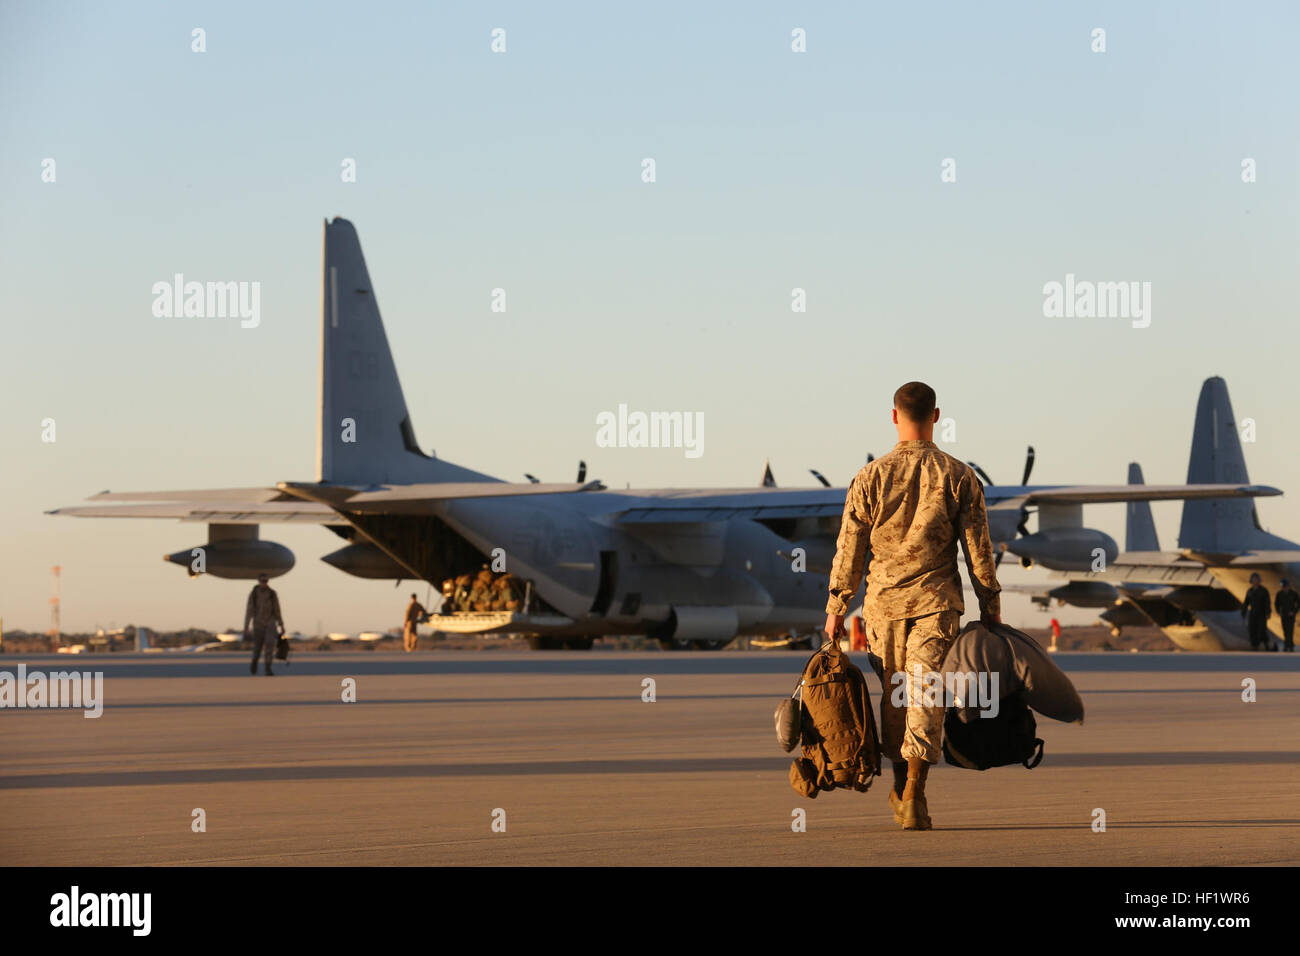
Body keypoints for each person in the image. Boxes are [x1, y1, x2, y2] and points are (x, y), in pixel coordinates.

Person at [824, 382, 1002, 831]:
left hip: (882, 608)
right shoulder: (959, 476)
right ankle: (913, 790)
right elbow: (979, 550)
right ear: (936, 415)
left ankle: (905, 787)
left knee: (897, 694)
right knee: (926, 693)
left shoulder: (869, 477)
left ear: (893, 416)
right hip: (936, 605)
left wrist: (836, 606)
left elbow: (850, 549)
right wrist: (990, 606)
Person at [244, 573, 284, 676]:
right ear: (259, 581)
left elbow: (277, 610)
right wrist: (246, 626)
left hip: (270, 623)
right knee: (257, 648)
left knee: (269, 646)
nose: (264, 583)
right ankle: (254, 662)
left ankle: (268, 668)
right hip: (258, 624)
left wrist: (281, 624)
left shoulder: (272, 594)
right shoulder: (254, 594)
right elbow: (249, 610)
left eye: (266, 581)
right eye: (262, 581)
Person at [1240, 573, 1272, 651]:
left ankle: (1266, 644)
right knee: (1252, 629)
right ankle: (1254, 646)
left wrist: (1268, 612)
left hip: (1262, 613)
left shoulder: (1264, 590)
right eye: (1253, 579)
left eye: (1256, 579)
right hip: (1253, 613)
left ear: (1259, 580)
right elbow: (1246, 602)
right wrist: (1243, 611)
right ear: (1251, 581)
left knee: (1262, 630)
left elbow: (1267, 602)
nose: (1255, 581)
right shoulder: (1249, 591)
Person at [1274, 579, 1297, 653]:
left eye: (1286, 586)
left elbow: (1298, 604)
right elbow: (1276, 604)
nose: (1285, 587)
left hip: (1291, 615)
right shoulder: (1279, 594)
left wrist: (1294, 612)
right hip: (1284, 615)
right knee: (1285, 630)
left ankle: (1289, 646)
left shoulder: (1293, 594)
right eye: (1283, 586)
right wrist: (1278, 612)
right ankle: (1288, 645)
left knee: (1290, 631)